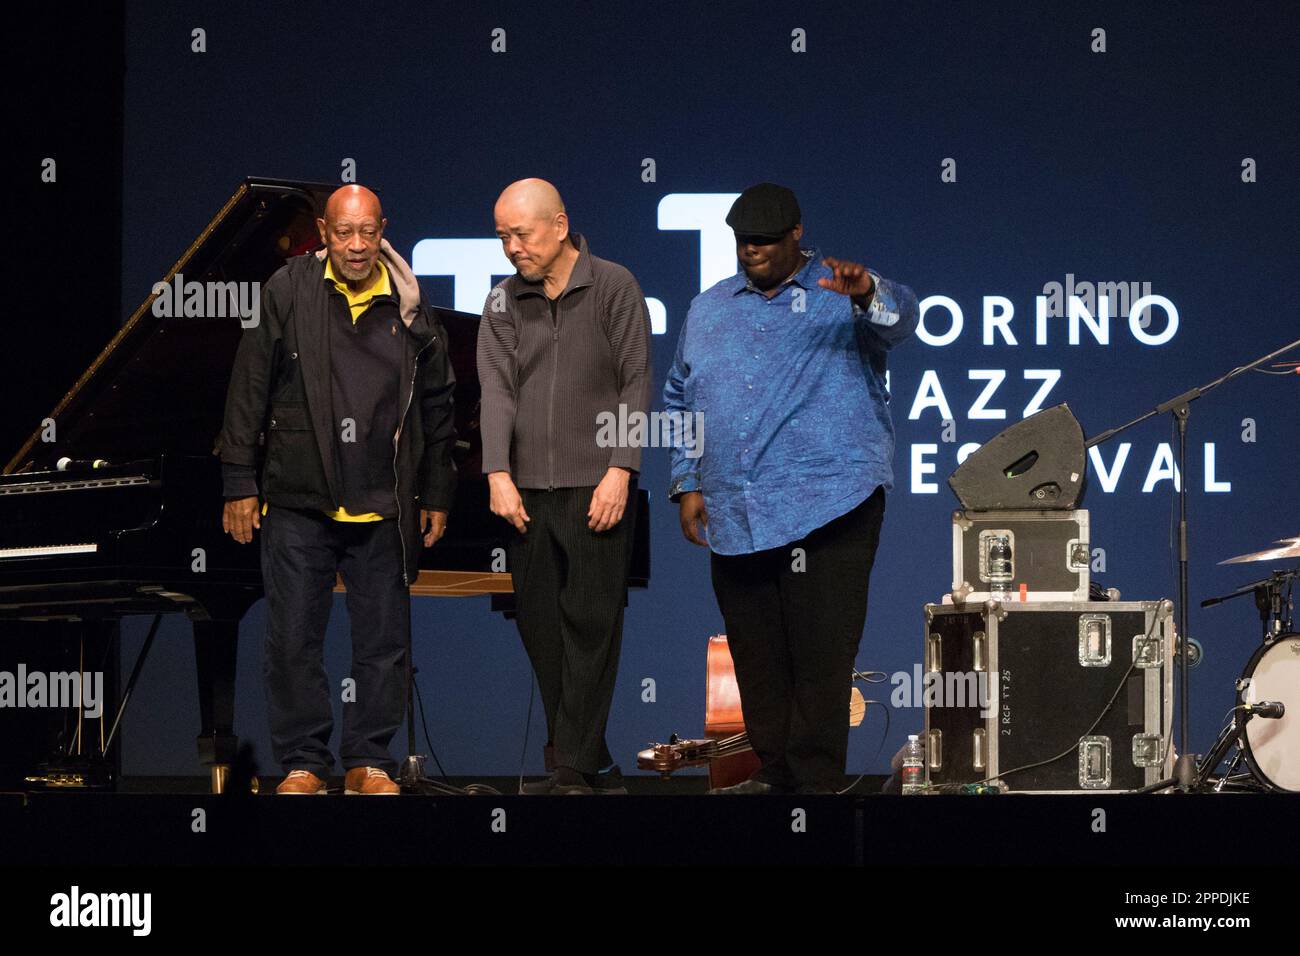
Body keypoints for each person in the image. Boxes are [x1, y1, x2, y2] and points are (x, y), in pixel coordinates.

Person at [663, 182, 919, 794]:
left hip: (831, 505)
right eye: (742, 241)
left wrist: (871, 294)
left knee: (820, 657)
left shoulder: (839, 296)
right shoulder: (710, 308)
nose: (751, 250)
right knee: (756, 657)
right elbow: (679, 396)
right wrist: (687, 480)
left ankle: (816, 784)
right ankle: (774, 773)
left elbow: (904, 317)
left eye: (765, 241)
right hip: (735, 510)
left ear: (797, 235)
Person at [219, 184, 457, 795]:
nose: (356, 246)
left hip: (383, 498)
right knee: (293, 638)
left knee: (384, 643)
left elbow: (437, 401)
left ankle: (367, 761)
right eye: (344, 233)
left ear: (383, 230)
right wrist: (238, 480)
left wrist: (436, 491)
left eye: (368, 233)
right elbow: (249, 385)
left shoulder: (408, 301)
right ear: (323, 232)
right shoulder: (289, 289)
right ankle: (304, 762)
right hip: (300, 496)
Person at [478, 179, 652, 795]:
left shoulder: (614, 285)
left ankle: (571, 768)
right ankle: (593, 761)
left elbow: (635, 379)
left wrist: (621, 467)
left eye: (520, 234)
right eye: (502, 236)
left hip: (597, 484)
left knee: (592, 625)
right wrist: (497, 471)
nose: (511, 247)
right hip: (525, 492)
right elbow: (496, 389)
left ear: (559, 225)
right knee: (541, 627)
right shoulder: (502, 301)